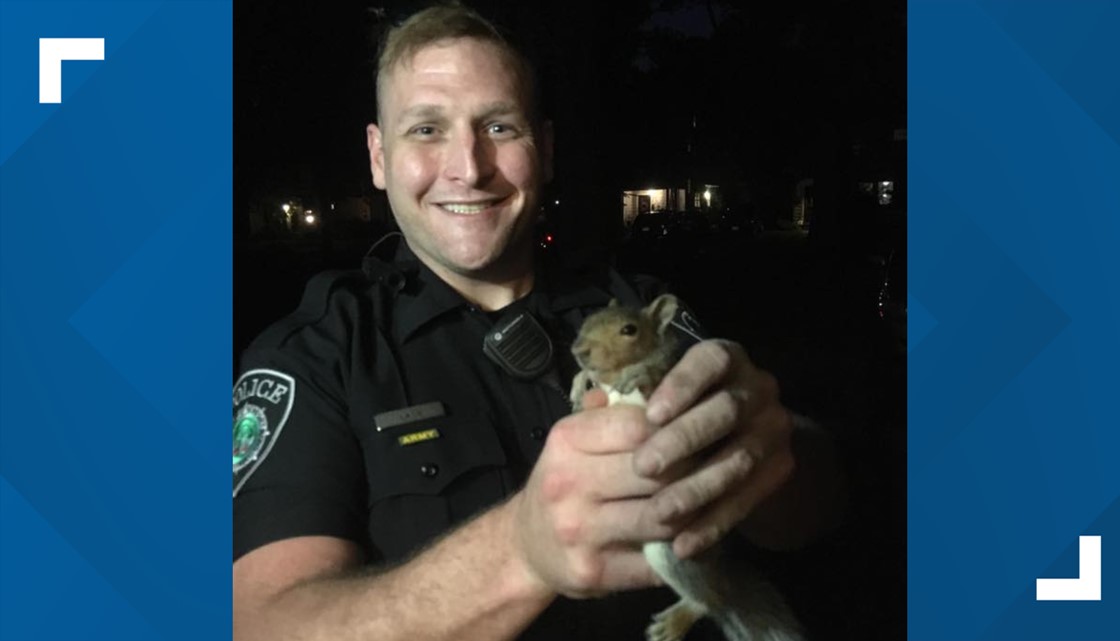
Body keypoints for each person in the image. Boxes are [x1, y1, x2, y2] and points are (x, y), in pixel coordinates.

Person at [232, 4, 844, 640]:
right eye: (425, 130)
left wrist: (766, 450)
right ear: (379, 156)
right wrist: (520, 552)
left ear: (545, 150)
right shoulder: (317, 355)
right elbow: (259, 622)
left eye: (499, 127)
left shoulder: (634, 305)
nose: (469, 167)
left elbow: (820, 510)